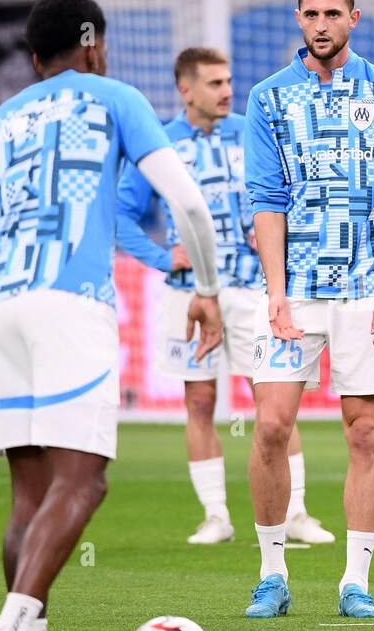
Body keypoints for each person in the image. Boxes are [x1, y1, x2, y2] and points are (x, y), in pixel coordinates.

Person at [0, 0, 224, 631]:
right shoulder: (115, 97)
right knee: (85, 482)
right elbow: (189, 206)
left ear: (36, 60)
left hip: (4, 306)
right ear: (94, 45)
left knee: (29, 496)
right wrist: (209, 288)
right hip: (73, 304)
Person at [242, 0, 374, 620]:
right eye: (310, 14)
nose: (321, 24)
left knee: (366, 431)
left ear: (354, 18)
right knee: (269, 426)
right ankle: (271, 573)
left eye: (332, 14)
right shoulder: (268, 99)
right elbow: (266, 200)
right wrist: (275, 292)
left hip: (366, 288)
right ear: (298, 20)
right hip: (296, 293)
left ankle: (356, 581)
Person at [117, 46, 332, 546]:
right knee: (200, 399)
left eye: (230, 81)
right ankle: (216, 516)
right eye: (215, 84)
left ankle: (296, 513)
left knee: (275, 398)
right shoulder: (159, 144)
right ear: (185, 90)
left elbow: (295, 191)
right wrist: (160, 256)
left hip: (255, 286)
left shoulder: (251, 129)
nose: (227, 91)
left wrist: (282, 233)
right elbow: (120, 216)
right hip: (188, 294)